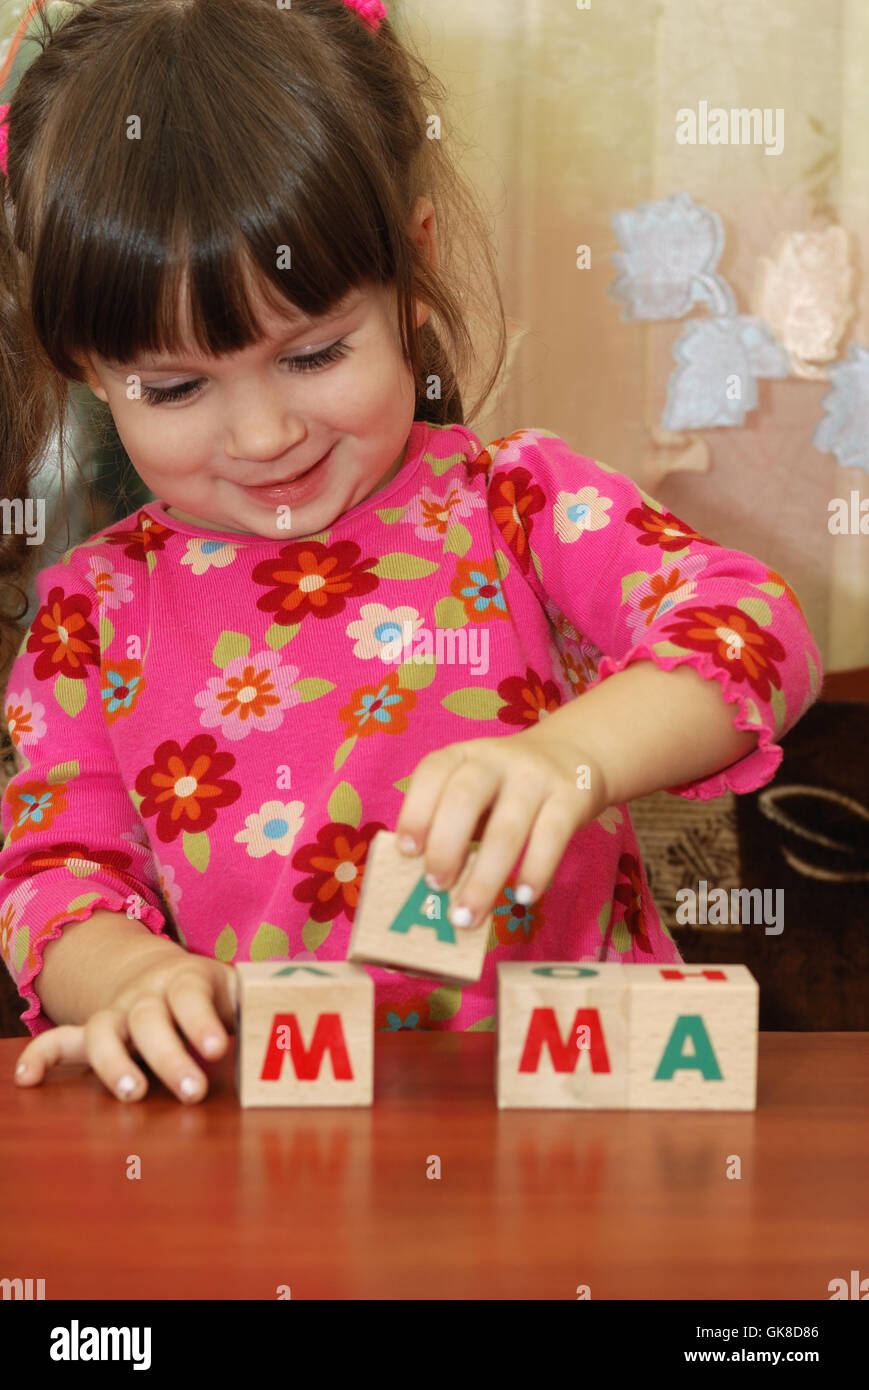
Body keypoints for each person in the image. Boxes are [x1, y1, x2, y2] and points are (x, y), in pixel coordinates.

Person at [0, 0, 822, 1104]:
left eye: (316, 351)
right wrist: (135, 978)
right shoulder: (87, 618)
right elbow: (56, 882)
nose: (262, 436)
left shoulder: (516, 503)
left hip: (571, 1132)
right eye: (177, 385)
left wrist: (564, 758)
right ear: (90, 371)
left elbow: (751, 627)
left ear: (410, 269)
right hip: (265, 1152)